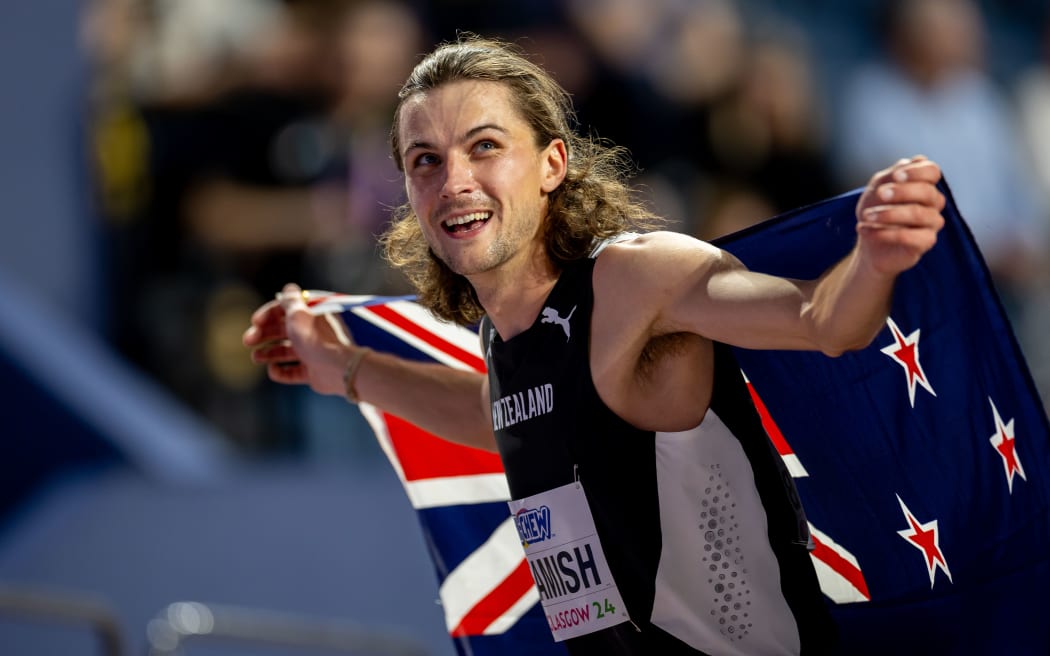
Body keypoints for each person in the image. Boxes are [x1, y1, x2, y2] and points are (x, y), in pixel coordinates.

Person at [243, 35, 946, 655]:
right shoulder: (506, 335)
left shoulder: (638, 280)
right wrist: (350, 369)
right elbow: (506, 417)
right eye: (425, 160)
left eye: (484, 146)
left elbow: (821, 319)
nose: (453, 180)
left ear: (552, 164)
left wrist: (876, 256)